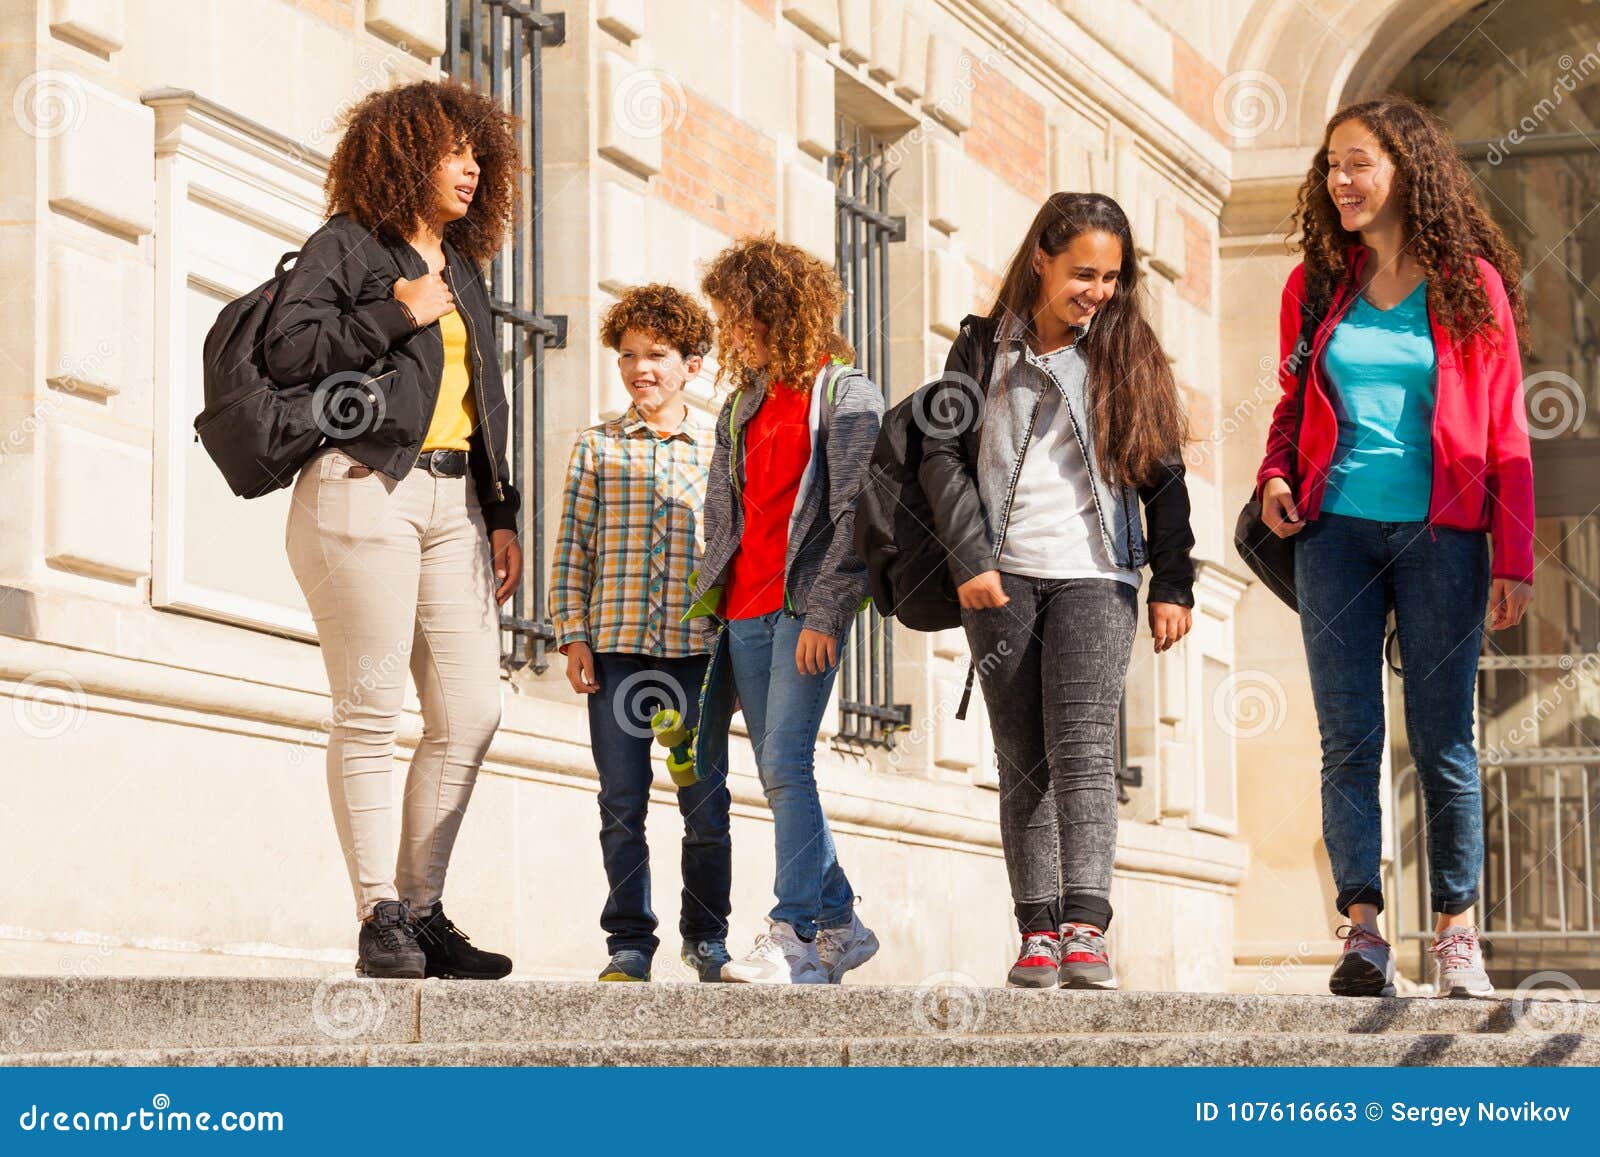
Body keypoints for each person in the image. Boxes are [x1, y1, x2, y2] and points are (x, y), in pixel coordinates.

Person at [1255, 95, 1534, 998]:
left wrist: (1515, 553)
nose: (1341, 179)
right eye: (1332, 164)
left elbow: (1506, 432)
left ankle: (1455, 931)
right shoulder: (1314, 286)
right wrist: (1274, 477)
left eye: (1358, 162)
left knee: (1445, 735)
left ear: (1406, 168)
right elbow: (1290, 408)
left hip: (1442, 537)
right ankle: (1364, 929)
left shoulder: (1470, 284)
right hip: (1333, 534)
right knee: (1347, 737)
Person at [268, 81, 522, 980]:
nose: (471, 167)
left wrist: (501, 510)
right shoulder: (348, 244)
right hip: (362, 487)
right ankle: (380, 912)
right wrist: (396, 311)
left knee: (472, 711)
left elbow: (483, 397)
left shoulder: (464, 266)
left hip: (455, 506)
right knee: (371, 710)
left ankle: (422, 909)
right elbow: (287, 349)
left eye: (478, 154)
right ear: (407, 154)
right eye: (454, 150)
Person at [919, 192, 1196, 990]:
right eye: (1083, 273)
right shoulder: (978, 347)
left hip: (1097, 573)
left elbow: (1164, 475)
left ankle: (1086, 926)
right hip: (1000, 578)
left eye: (1111, 277)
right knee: (1022, 760)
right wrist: (970, 558)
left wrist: (1172, 579)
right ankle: (1036, 929)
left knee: (1082, 751)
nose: (1098, 291)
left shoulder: (1125, 350)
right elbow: (940, 454)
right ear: (1041, 256)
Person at [685, 236, 884, 984]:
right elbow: (721, 513)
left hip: (804, 606)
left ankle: (793, 930)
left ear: (784, 308)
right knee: (776, 774)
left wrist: (829, 613)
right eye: (731, 319)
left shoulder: (847, 395)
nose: (736, 333)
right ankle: (841, 921)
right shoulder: (743, 403)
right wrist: (714, 606)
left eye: (745, 316)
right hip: (744, 611)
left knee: (785, 763)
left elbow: (856, 516)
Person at [550, 284, 732, 983]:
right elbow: (574, 548)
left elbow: (733, 556)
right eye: (627, 355)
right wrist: (573, 635)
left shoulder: (718, 449)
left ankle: (707, 937)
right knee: (621, 802)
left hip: (696, 661)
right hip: (618, 655)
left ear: (691, 363)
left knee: (704, 802)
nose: (639, 369)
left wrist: (735, 657)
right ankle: (629, 941)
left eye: (656, 354)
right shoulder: (596, 447)